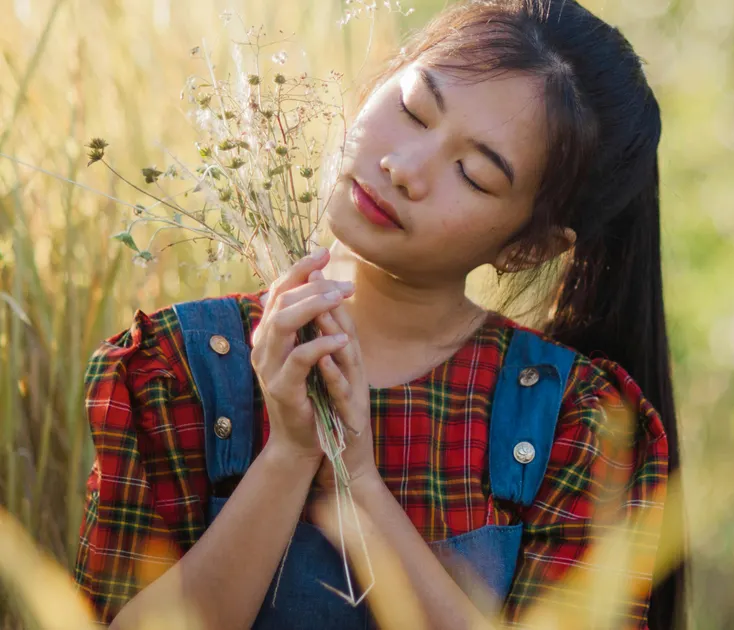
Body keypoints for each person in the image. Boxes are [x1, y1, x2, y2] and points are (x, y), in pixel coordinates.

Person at [71, 0, 685, 628]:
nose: (404, 168)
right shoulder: (183, 366)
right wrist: (288, 454)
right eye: (413, 109)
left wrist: (357, 482)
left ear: (530, 246)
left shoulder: (573, 423)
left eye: (472, 174)